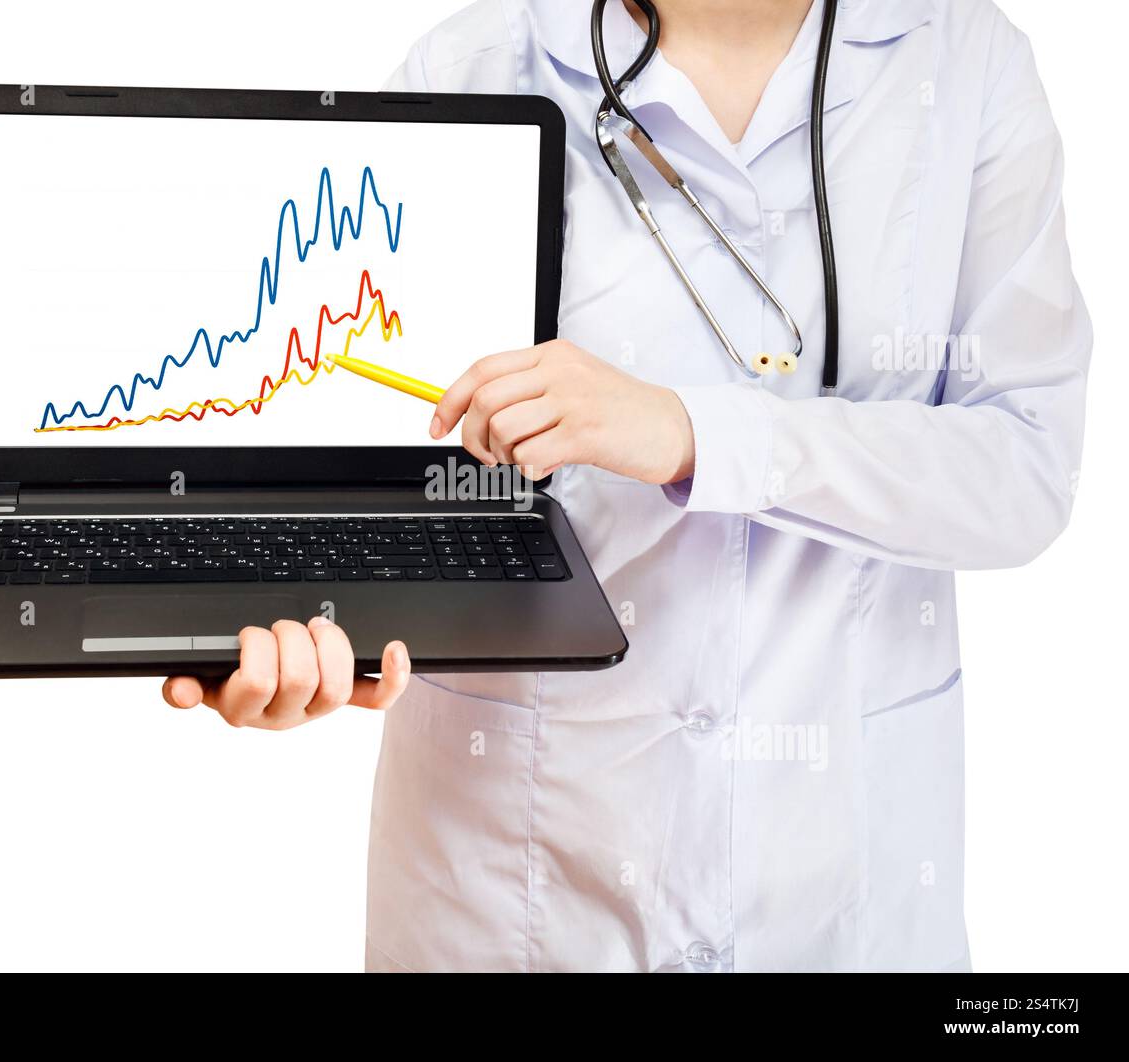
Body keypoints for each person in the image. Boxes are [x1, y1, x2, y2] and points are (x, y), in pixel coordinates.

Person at [161, 0, 1092, 972]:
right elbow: (363, 449)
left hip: (842, 906)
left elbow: (1023, 468)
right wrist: (304, 626)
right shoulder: (474, 65)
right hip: (510, 902)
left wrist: (692, 431)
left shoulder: (966, 65)